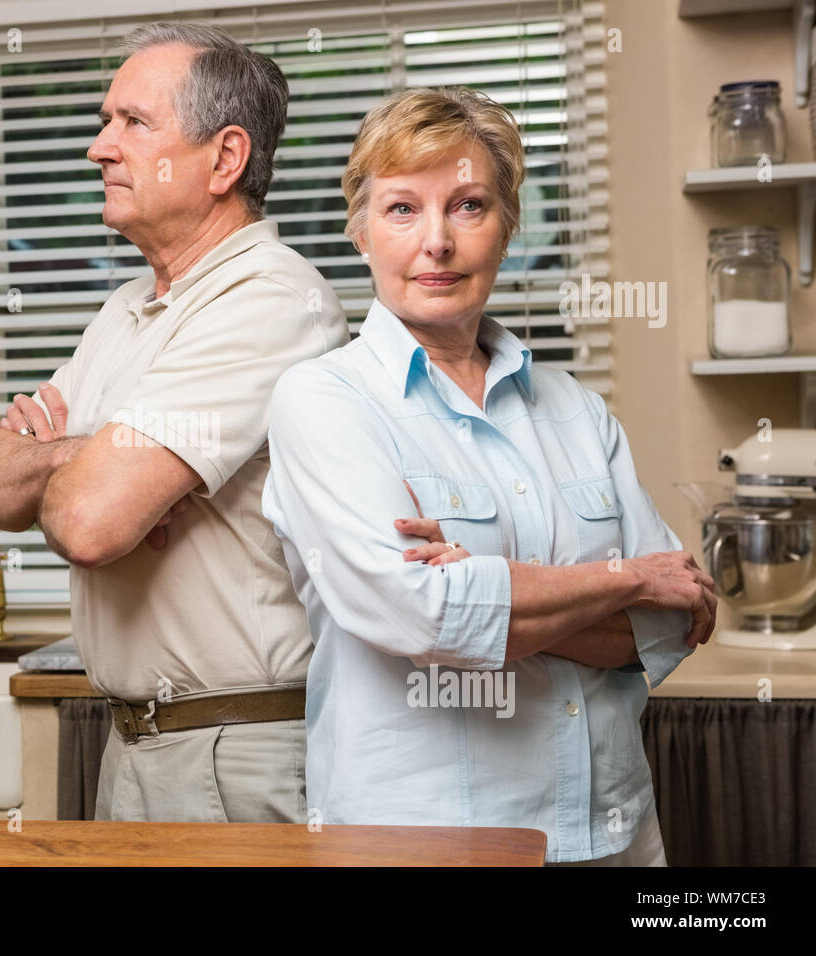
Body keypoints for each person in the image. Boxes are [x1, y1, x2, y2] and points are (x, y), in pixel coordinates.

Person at [260, 86, 716, 864]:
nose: (435, 242)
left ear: (507, 228)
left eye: (468, 205)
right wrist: (629, 579)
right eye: (402, 209)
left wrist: (489, 590)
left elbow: (671, 624)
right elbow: (420, 618)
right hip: (422, 840)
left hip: (613, 832)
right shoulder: (324, 401)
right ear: (360, 232)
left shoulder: (575, 409)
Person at [0, 21, 348, 822]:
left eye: (133, 123)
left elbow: (91, 521)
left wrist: (80, 469)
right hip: (131, 744)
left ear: (225, 159)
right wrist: (94, 454)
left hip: (234, 749)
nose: (100, 148)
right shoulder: (125, 309)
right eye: (106, 122)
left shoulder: (273, 298)